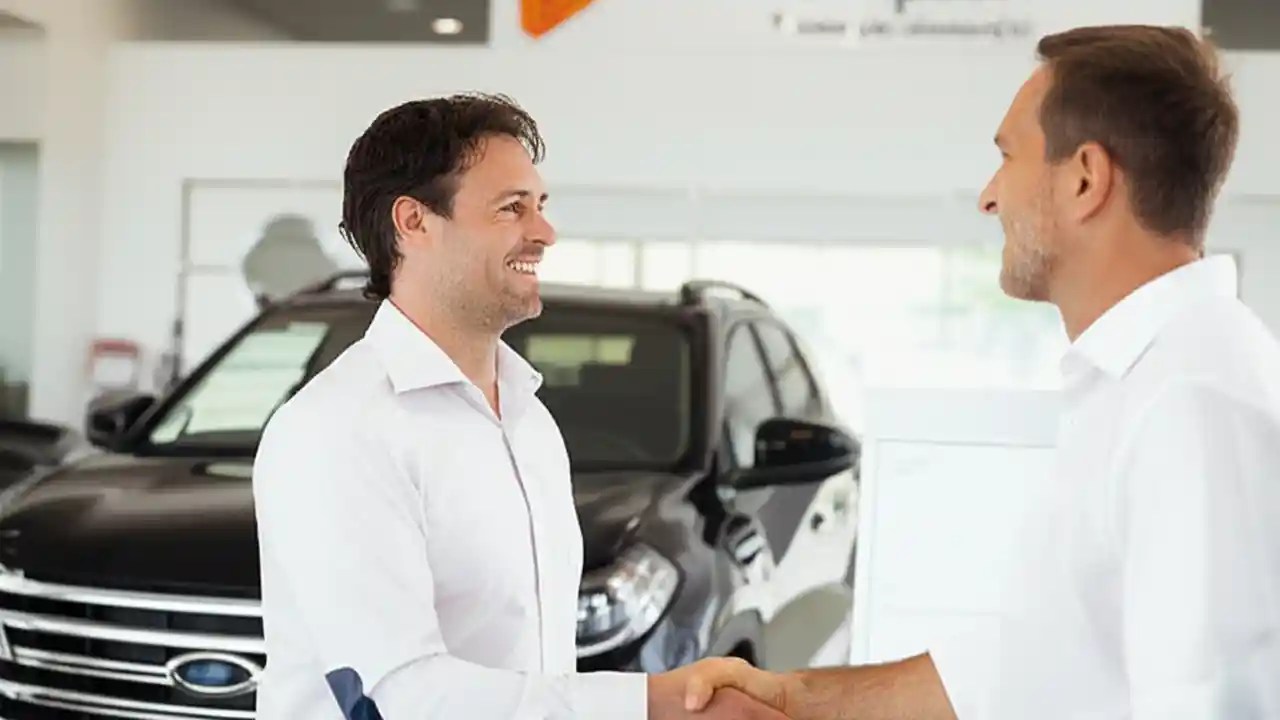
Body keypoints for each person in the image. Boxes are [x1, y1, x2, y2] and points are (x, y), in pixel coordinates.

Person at [679, 24, 1280, 720]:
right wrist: (791, 698)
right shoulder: (1139, 385)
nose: (989, 196)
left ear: (1086, 177)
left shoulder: (1193, 402)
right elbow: (1014, 673)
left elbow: (1213, 710)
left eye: (1008, 156)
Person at [250, 94, 786, 720]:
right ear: (414, 223)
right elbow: (397, 699)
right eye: (511, 208)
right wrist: (653, 703)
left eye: (540, 206)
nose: (544, 232)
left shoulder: (529, 420)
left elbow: (535, 669)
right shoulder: (337, 430)